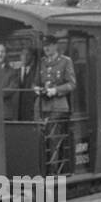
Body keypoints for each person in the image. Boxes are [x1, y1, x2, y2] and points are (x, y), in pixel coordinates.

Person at [37, 32, 76, 176]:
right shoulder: (42, 62)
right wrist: (38, 89)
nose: (46, 48)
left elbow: (72, 84)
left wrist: (56, 90)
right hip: (42, 105)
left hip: (59, 106)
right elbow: (36, 82)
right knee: (39, 136)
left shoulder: (65, 61)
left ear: (55, 46)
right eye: (44, 46)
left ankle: (53, 170)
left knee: (53, 137)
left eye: (48, 46)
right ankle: (41, 169)